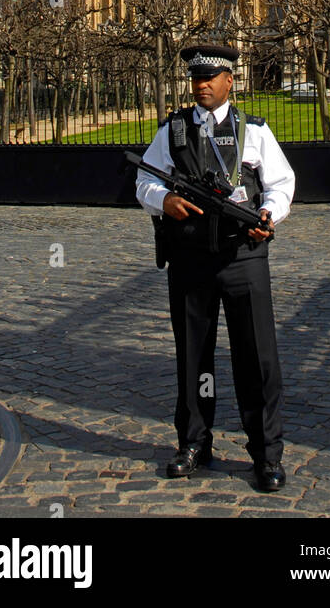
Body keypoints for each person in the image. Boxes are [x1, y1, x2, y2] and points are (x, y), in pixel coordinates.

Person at [135, 42, 295, 492]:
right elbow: (144, 179)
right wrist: (163, 199)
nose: (201, 85)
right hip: (190, 260)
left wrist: (269, 215)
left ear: (230, 81)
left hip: (242, 257)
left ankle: (265, 453)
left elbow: (281, 184)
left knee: (256, 357)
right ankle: (193, 443)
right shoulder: (173, 131)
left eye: (210, 78)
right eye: (195, 78)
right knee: (194, 357)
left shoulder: (255, 131)